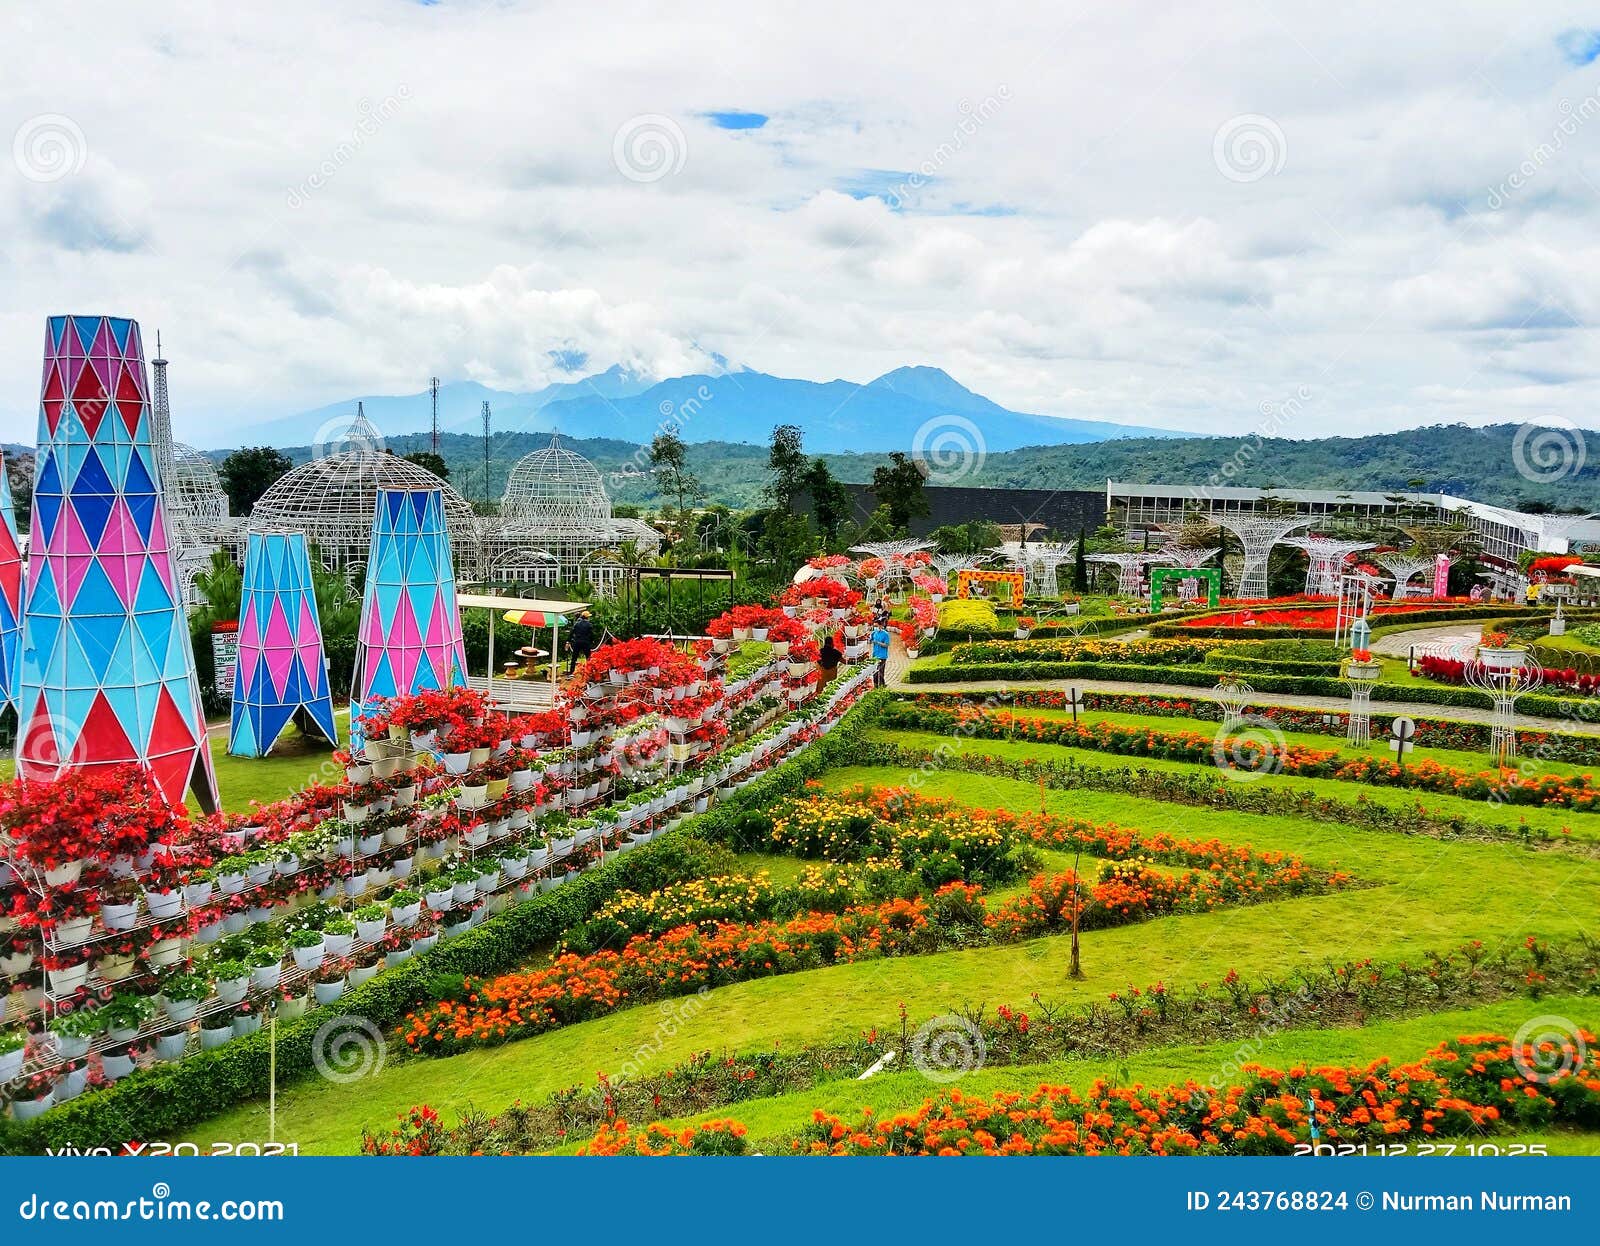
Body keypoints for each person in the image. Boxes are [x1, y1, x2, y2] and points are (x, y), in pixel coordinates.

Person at [567, 610, 595, 674]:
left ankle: (571, 671)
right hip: (586, 642)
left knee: (574, 658)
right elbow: (591, 634)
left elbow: (571, 633)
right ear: (587, 617)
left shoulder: (576, 623)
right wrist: (592, 641)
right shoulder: (589, 624)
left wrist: (568, 641)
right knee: (588, 657)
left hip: (577, 642)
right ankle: (589, 671)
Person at [870, 619, 892, 688]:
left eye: (876, 626)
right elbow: (871, 640)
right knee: (874, 672)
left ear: (880, 625)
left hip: (882, 656)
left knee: (880, 671)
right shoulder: (874, 633)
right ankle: (875, 685)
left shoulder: (885, 634)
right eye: (874, 626)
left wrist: (878, 643)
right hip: (875, 655)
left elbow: (886, 645)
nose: (875, 627)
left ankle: (882, 685)